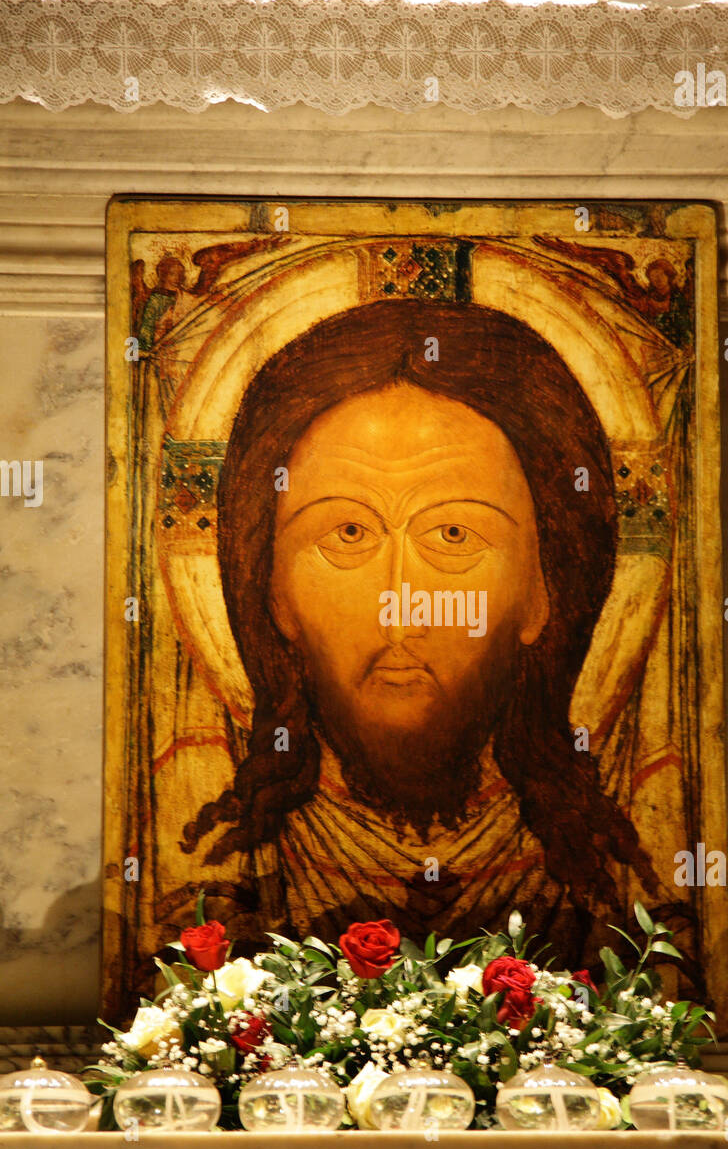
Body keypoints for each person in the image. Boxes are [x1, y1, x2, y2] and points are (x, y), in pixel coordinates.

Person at [182, 298, 675, 971]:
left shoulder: (643, 906)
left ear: (544, 588)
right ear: (271, 591)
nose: (400, 606)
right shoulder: (197, 890)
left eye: (454, 535)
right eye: (346, 534)